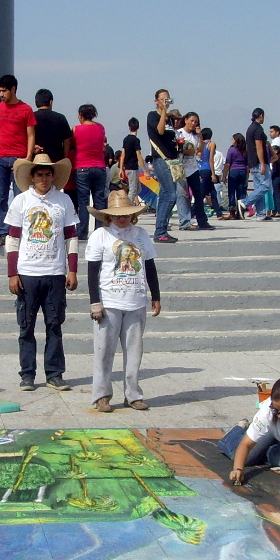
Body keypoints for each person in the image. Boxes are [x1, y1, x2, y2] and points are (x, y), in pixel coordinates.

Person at [5, 154, 78, 391]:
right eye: (39, 175)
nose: (44, 179)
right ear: (32, 177)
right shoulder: (21, 201)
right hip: (27, 273)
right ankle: (27, 374)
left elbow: (71, 237)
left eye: (48, 174)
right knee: (26, 326)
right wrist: (12, 273)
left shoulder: (64, 200)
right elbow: (13, 239)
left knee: (54, 324)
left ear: (53, 176)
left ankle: (54, 374)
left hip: (55, 272)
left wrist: (72, 270)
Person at [86, 190, 161, 412]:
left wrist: (155, 295)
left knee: (134, 351)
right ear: (108, 216)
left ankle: (133, 394)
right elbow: (92, 271)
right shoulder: (100, 235)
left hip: (136, 300)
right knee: (103, 351)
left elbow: (149, 266)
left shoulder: (141, 234)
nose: (122, 218)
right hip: (109, 301)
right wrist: (94, 302)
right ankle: (102, 395)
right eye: (117, 215)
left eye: (126, 214)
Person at [0, 74, 37, 247]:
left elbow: (31, 135)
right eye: (0, 91)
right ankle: (2, 232)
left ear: (13, 89)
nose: (1, 95)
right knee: (0, 197)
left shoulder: (26, 109)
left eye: (4, 91)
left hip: (19, 158)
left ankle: (19, 232)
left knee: (20, 197)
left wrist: (28, 158)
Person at [145, 90, 180, 242]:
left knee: (166, 195)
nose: (166, 100)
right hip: (161, 160)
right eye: (163, 99)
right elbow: (159, 131)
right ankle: (160, 231)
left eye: (168, 98)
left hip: (172, 160)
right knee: (171, 194)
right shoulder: (153, 116)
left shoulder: (170, 119)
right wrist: (164, 111)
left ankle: (162, 230)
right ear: (157, 101)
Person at [72, 104, 109, 239]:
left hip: (82, 167)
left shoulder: (76, 129)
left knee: (83, 202)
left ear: (81, 115)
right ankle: (100, 231)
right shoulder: (100, 128)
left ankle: (82, 232)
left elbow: (73, 146)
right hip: (99, 166)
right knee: (99, 201)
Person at [239, 108, 273, 221]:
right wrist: (263, 163)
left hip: (252, 161)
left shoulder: (250, 128)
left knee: (259, 187)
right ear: (261, 115)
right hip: (259, 162)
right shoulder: (258, 129)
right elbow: (259, 147)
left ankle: (261, 213)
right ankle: (245, 202)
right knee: (266, 185)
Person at [120, 118, 144, 205]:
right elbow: (139, 155)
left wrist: (121, 169)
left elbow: (123, 155)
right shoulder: (136, 140)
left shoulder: (126, 139)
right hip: (133, 167)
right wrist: (145, 170)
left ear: (129, 127)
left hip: (128, 167)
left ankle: (130, 206)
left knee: (138, 189)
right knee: (133, 190)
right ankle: (128, 208)